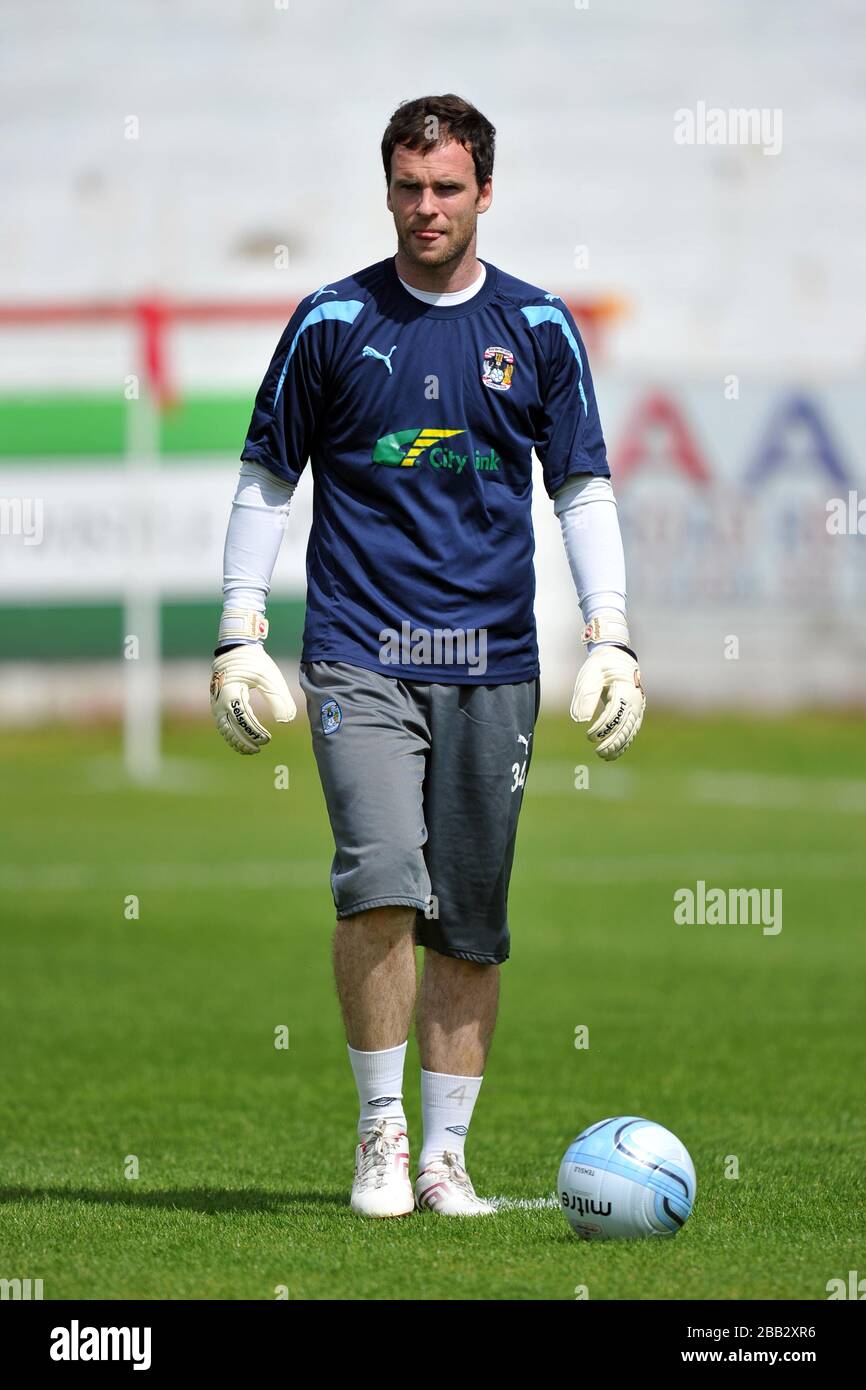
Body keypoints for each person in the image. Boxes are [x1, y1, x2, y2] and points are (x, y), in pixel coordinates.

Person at [209, 94, 645, 1219]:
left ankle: (448, 1158)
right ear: (387, 187)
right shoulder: (329, 321)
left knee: (469, 920)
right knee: (379, 886)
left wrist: (611, 634)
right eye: (407, 186)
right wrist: (236, 628)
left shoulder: (540, 328)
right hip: (358, 650)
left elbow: (582, 488)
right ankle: (380, 1140)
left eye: (447, 188)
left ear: (485, 192)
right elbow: (267, 476)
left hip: (492, 661)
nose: (425, 208)